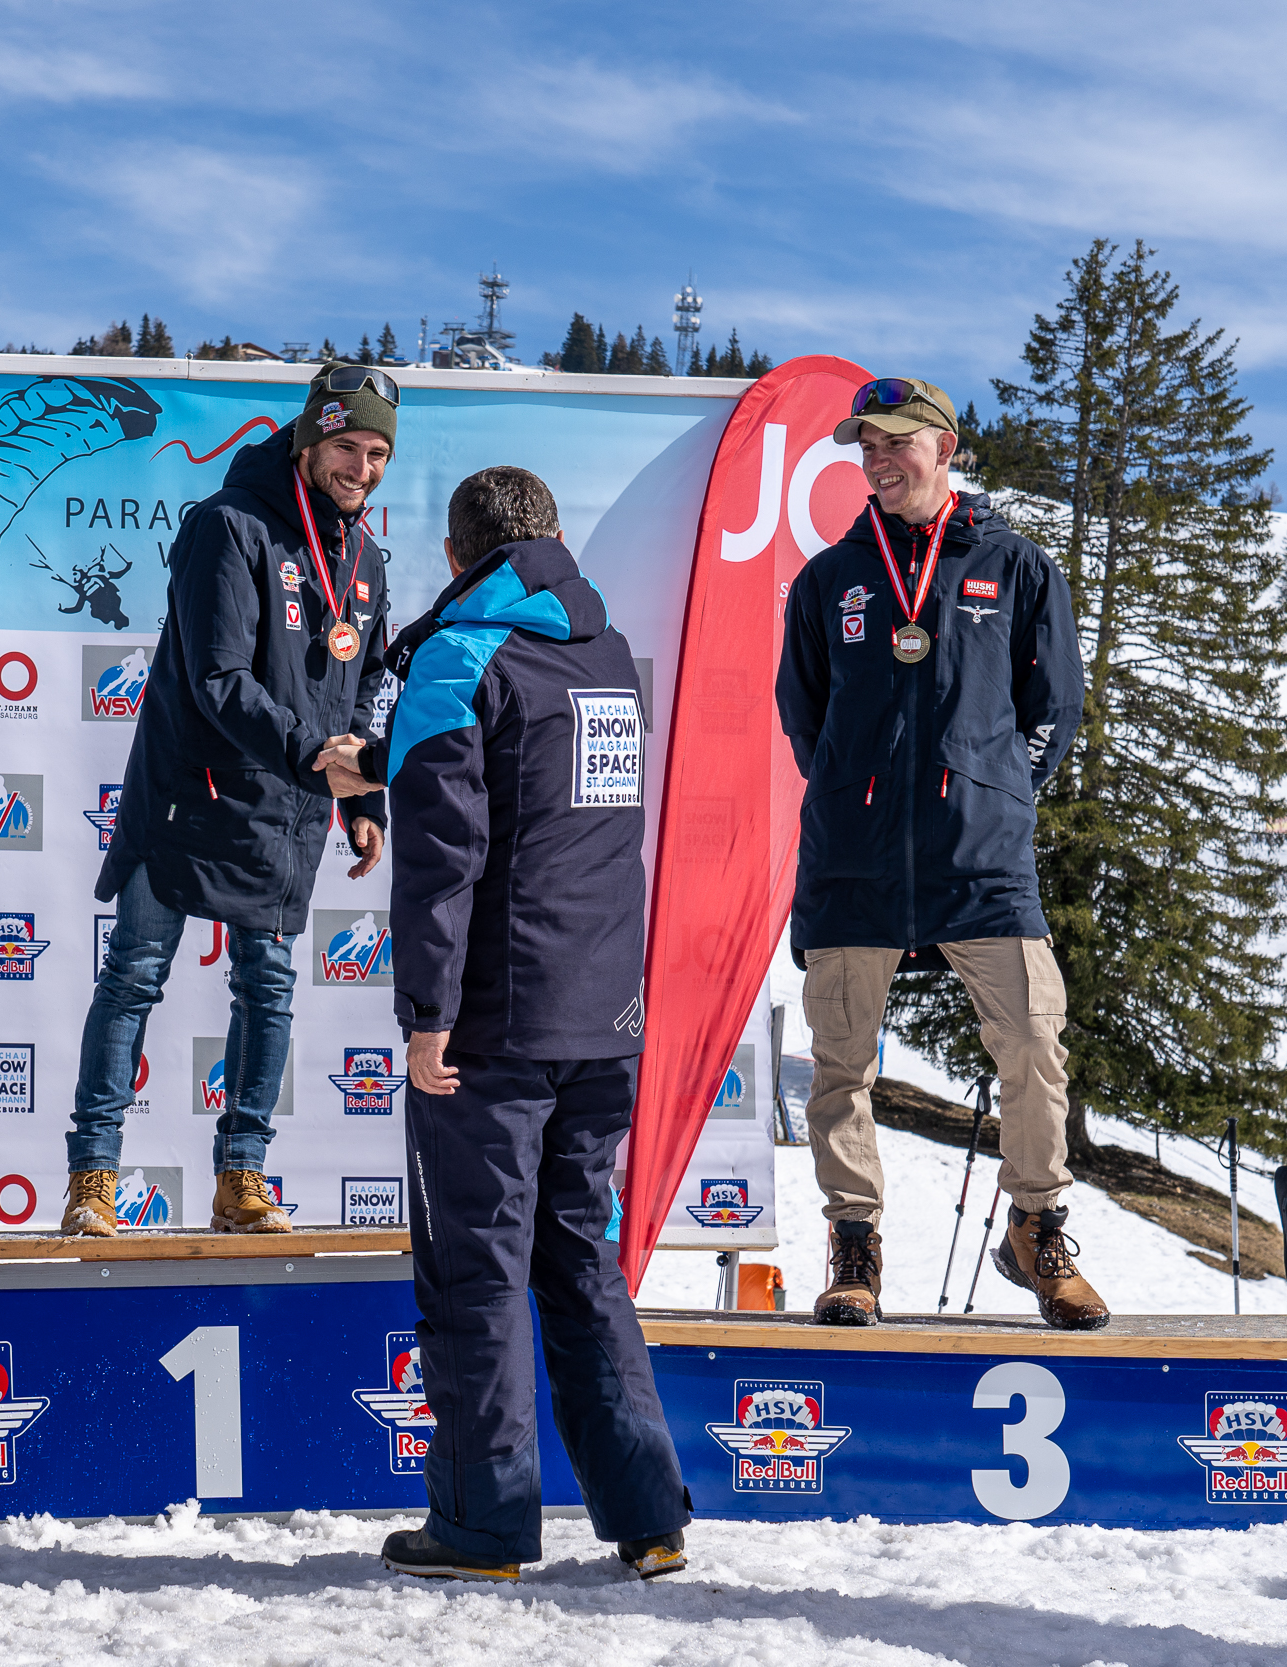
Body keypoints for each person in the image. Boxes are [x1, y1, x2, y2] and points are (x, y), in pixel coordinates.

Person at [318, 467, 691, 1583]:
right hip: (603, 1015)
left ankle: (483, 1526)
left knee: (474, 1272)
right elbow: (537, 788)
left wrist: (426, 1015)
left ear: (455, 555)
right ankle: (649, 1518)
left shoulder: (457, 654)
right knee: (581, 1264)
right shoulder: (604, 651)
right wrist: (384, 760)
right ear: (554, 538)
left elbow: (445, 858)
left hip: (493, 1026)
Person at [775, 376, 1105, 1331]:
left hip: (983, 863)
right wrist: (861, 794)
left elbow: (1055, 709)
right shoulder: (830, 578)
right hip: (853, 861)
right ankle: (854, 1246)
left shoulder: (1017, 566)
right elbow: (805, 717)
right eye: (866, 445)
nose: (877, 460)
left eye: (895, 441)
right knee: (841, 1066)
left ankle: (1037, 1228)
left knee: (1034, 1041)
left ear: (944, 447)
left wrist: (994, 794)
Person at [60, 363, 395, 1238]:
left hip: (288, 807)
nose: (361, 469)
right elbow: (218, 677)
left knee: (268, 989)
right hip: (191, 792)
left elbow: (365, 686)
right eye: (349, 448)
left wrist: (365, 800)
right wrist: (312, 755)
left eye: (378, 455)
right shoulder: (228, 524)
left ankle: (241, 1176)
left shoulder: (367, 558)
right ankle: (94, 1176)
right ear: (310, 440)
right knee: (134, 975)